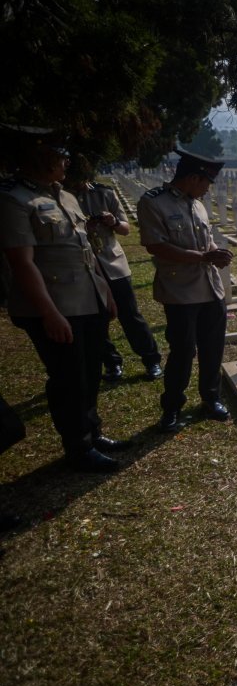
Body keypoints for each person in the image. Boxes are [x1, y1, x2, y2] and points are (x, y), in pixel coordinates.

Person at [0, 125, 125, 472]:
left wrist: (105, 291)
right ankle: (78, 447)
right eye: (61, 155)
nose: (67, 162)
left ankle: (92, 432)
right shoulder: (13, 199)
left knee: (91, 371)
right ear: (41, 157)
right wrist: (49, 314)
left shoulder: (66, 196)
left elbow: (85, 250)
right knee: (69, 378)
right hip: (56, 305)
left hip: (88, 298)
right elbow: (22, 263)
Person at [137, 149, 233, 432]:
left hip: (210, 288)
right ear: (193, 178)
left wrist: (215, 252)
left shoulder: (198, 204)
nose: (208, 189)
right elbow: (155, 245)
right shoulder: (154, 202)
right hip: (180, 291)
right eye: (207, 183)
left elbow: (206, 240)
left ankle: (211, 398)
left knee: (212, 348)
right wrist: (202, 257)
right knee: (182, 351)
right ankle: (172, 407)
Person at [68, 174, 163, 381]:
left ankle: (151, 359)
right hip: (84, 267)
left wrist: (113, 221)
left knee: (130, 315)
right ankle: (111, 363)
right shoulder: (63, 197)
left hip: (112, 263)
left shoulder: (104, 193)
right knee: (96, 319)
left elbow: (126, 229)